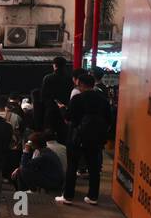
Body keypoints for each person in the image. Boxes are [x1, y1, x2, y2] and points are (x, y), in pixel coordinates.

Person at [56, 71, 113, 207]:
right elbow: (109, 119)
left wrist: (62, 109)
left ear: (81, 84)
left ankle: (68, 196)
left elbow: (68, 118)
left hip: (77, 138)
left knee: (72, 167)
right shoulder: (103, 100)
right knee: (94, 168)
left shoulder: (77, 99)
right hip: (95, 139)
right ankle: (93, 197)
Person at [40, 55, 73, 143]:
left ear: (54, 65)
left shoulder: (48, 78)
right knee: (63, 134)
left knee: (49, 134)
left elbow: (43, 96)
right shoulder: (69, 78)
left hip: (51, 109)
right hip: (65, 110)